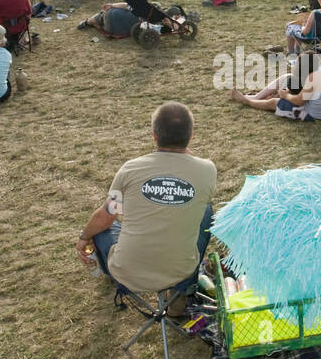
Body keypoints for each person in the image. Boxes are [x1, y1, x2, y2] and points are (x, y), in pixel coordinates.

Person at [75, 102, 216, 307]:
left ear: (154, 135)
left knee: (100, 225)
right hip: (181, 271)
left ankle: (112, 274)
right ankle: (182, 292)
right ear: (191, 135)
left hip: (127, 273)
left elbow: (106, 217)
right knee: (206, 211)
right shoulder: (207, 170)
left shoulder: (130, 169)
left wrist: (83, 237)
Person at [231, 36, 321, 122]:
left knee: (274, 102)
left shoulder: (316, 75)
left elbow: (299, 101)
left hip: (312, 115)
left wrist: (285, 95)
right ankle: (257, 96)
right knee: (287, 86)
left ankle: (247, 101)